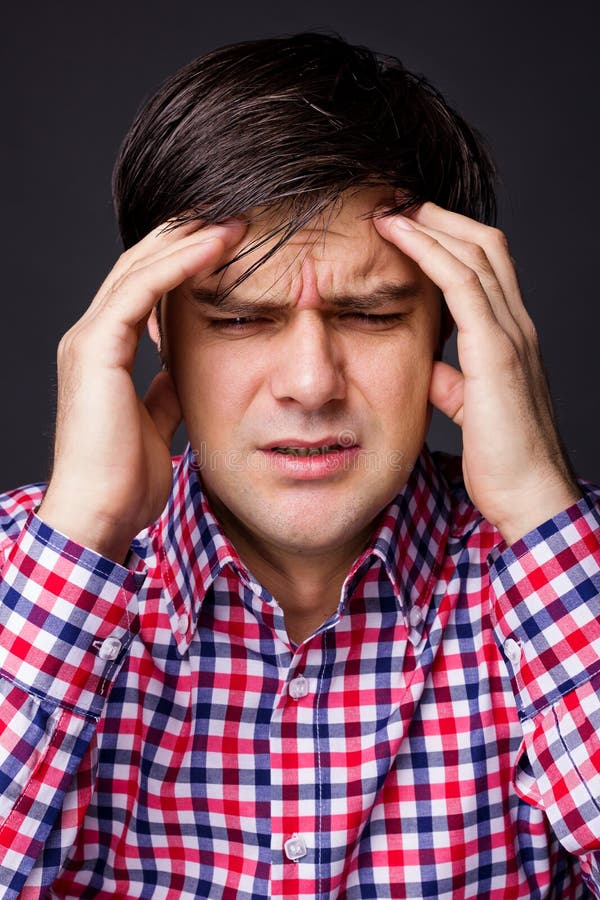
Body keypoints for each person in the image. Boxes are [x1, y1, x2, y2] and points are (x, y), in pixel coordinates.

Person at [0, 31, 598, 899]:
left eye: (372, 314)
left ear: (456, 324)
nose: (311, 384)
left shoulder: (573, 578)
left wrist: (542, 515)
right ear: (151, 324)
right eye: (240, 319)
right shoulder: (22, 578)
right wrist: (84, 533)